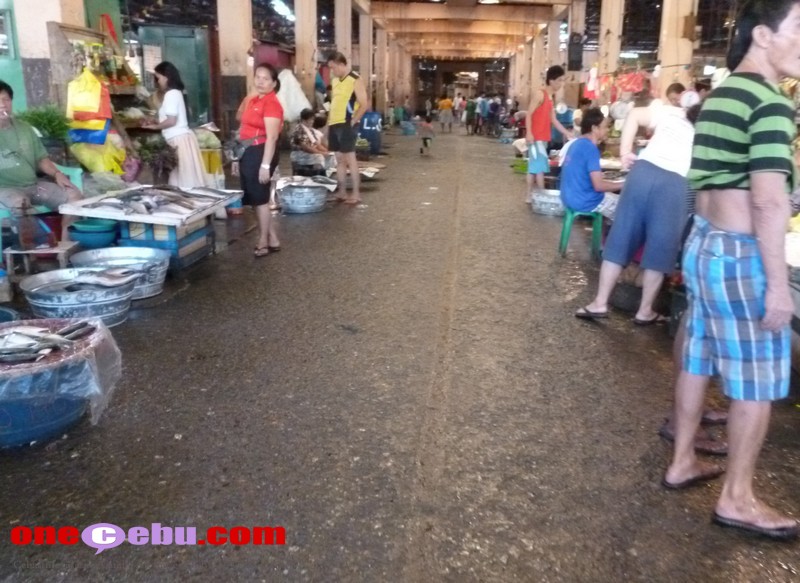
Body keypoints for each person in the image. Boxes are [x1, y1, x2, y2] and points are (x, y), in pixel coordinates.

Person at [664, 0, 800, 540]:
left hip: (704, 244)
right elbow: (767, 202)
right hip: (743, 254)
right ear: (763, 36)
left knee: (698, 355)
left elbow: (712, 183)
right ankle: (737, 497)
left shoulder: (720, 95)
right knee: (758, 382)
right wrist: (776, 287)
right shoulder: (770, 103)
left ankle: (681, 460)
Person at [574, 102, 701, 323]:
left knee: (621, 237)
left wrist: (625, 152)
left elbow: (633, 114)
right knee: (660, 248)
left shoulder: (672, 112)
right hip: (674, 184)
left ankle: (600, 302)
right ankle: (644, 311)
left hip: (641, 173)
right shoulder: (709, 132)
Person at [0, 80, 82, 240]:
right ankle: (33, 253)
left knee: (74, 197)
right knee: (20, 203)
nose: (2, 105)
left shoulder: (24, 128)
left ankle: (65, 248)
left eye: (6, 100)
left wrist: (57, 173)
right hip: (5, 189)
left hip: (33, 186)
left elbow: (41, 159)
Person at [232, 63, 284, 258]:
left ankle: (263, 240)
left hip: (261, 152)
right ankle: (273, 237)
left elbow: (271, 137)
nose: (261, 81)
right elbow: (243, 130)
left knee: (260, 199)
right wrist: (238, 157)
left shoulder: (272, 104)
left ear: (273, 83)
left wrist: (265, 165)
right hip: (248, 151)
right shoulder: (253, 100)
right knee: (254, 198)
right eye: (258, 77)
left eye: (266, 79)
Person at [142, 62, 207, 189]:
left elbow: (172, 121)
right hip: (181, 139)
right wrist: (157, 122)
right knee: (186, 178)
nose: (157, 81)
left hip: (178, 141)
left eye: (158, 77)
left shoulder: (171, 94)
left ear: (166, 77)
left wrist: (155, 127)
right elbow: (171, 119)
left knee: (183, 181)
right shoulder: (177, 92)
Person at [558, 107, 622, 219]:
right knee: (628, 207)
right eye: (605, 127)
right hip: (584, 201)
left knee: (613, 198)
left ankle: (604, 234)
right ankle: (615, 235)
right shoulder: (590, 149)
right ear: (594, 128)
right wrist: (625, 184)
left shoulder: (576, 144)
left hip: (568, 198)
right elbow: (598, 186)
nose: (607, 130)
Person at [326, 51, 368, 205]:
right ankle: (342, 191)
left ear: (342, 64)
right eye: (330, 68)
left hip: (347, 123)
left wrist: (353, 121)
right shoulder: (335, 81)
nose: (333, 71)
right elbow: (333, 103)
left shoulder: (355, 79)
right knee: (339, 160)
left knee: (350, 159)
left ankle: (356, 194)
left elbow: (364, 104)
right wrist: (328, 123)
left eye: (334, 68)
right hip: (334, 123)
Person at [526, 66, 574, 202]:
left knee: (538, 168)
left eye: (562, 80)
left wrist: (566, 133)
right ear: (551, 80)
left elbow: (553, 120)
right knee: (536, 168)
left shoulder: (550, 98)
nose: (561, 83)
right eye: (559, 80)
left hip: (542, 138)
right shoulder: (540, 94)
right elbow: (529, 114)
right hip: (535, 138)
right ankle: (534, 195)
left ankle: (537, 195)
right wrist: (529, 133)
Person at [290, 108, 328, 176]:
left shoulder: (311, 130)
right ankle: (318, 177)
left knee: (331, 157)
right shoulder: (299, 130)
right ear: (304, 120)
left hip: (310, 152)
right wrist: (321, 153)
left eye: (313, 119)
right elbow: (306, 148)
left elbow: (317, 144)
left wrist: (327, 152)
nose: (312, 121)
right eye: (310, 119)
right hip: (300, 154)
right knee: (319, 157)